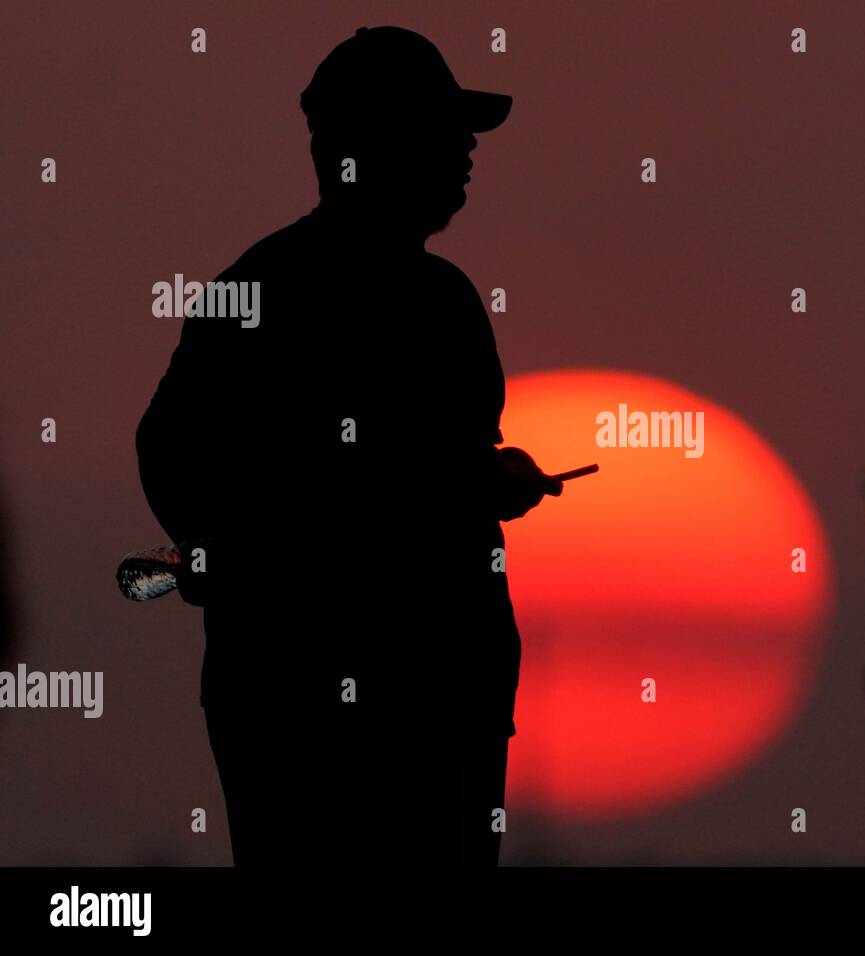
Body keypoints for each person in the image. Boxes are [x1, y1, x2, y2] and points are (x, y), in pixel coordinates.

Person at [135, 26, 557, 870]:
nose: (468, 152)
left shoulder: (425, 300)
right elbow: (177, 452)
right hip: (333, 712)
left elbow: (175, 453)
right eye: (444, 132)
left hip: (428, 704)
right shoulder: (294, 296)